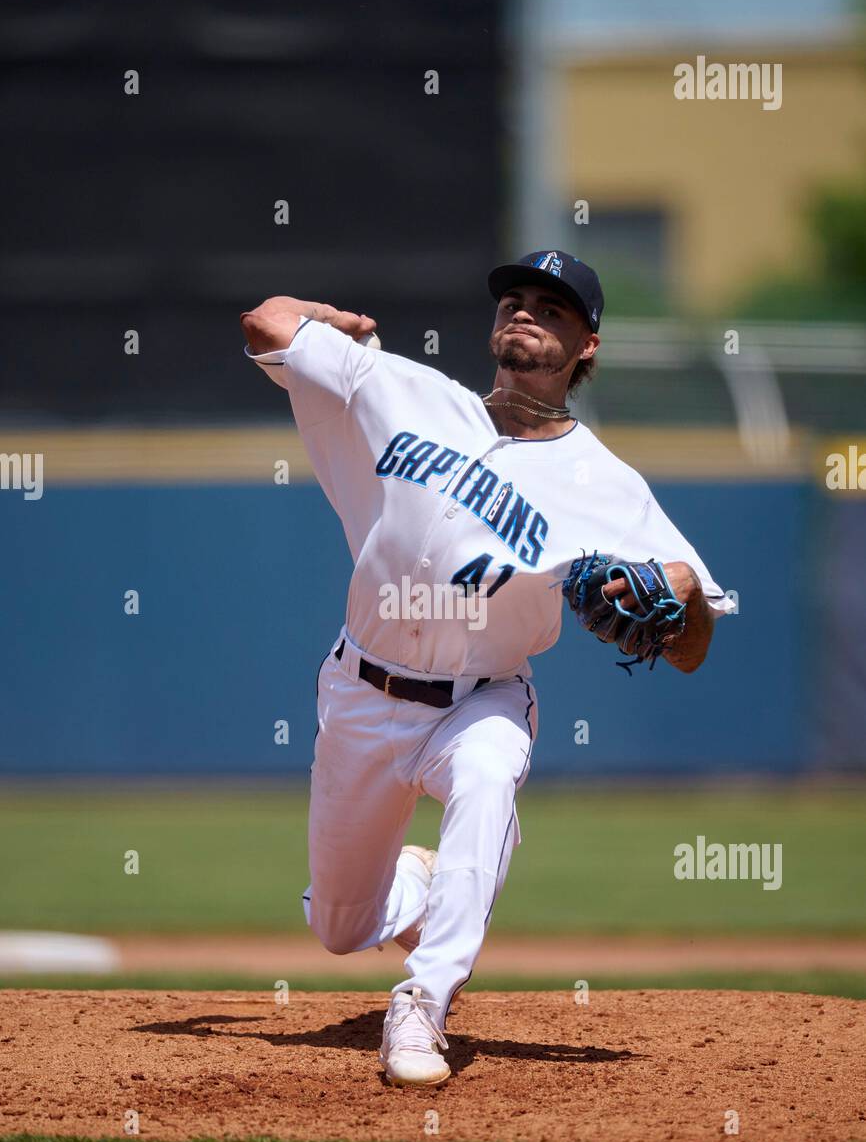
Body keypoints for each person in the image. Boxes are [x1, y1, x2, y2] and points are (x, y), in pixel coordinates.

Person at [240, 250, 732, 1087]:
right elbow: (265, 322)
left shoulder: (609, 486)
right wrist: (336, 321)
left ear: (587, 348)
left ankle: (422, 1005)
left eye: (555, 307)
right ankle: (416, 890)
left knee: (490, 773)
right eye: (516, 299)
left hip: (481, 698)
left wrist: (676, 589)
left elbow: (691, 644)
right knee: (339, 926)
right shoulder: (405, 392)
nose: (527, 312)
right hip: (360, 692)